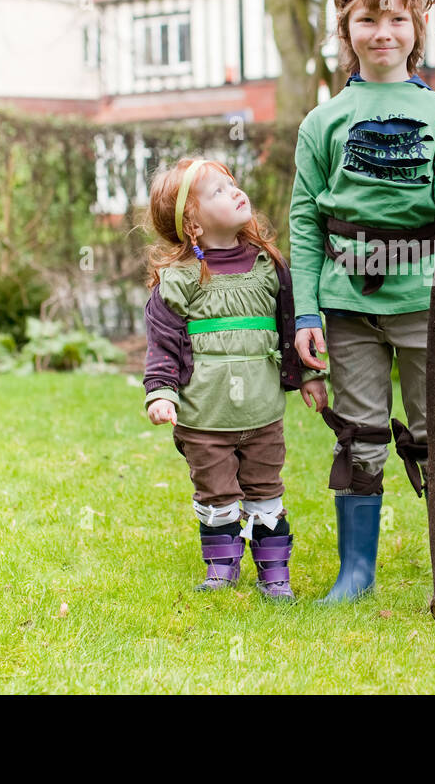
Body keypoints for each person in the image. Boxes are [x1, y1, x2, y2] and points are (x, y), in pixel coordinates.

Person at [288, 0, 435, 602]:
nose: (382, 33)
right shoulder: (323, 122)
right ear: (345, 30)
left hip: (426, 301)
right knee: (360, 436)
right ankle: (356, 572)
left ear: (418, 27)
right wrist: (308, 314)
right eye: (367, 20)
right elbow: (304, 223)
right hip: (349, 308)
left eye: (396, 19)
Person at [143, 157, 326, 600]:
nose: (236, 192)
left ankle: (274, 572)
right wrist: (160, 393)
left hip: (262, 413)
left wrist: (305, 375)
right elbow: (163, 343)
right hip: (205, 417)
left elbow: (288, 327)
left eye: (233, 184)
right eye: (219, 192)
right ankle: (222, 566)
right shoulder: (180, 279)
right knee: (216, 494)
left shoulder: (268, 265)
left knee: (267, 490)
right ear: (193, 223)